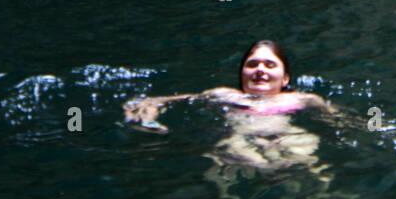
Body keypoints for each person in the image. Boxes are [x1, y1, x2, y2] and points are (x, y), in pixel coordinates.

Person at [122, 40, 329, 131]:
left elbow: (339, 120)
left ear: (285, 78)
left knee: (302, 155)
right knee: (240, 154)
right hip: (240, 143)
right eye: (252, 64)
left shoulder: (303, 99)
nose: (260, 70)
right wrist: (145, 110)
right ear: (241, 75)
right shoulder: (225, 95)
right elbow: (167, 100)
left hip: (288, 139)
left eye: (270, 64)